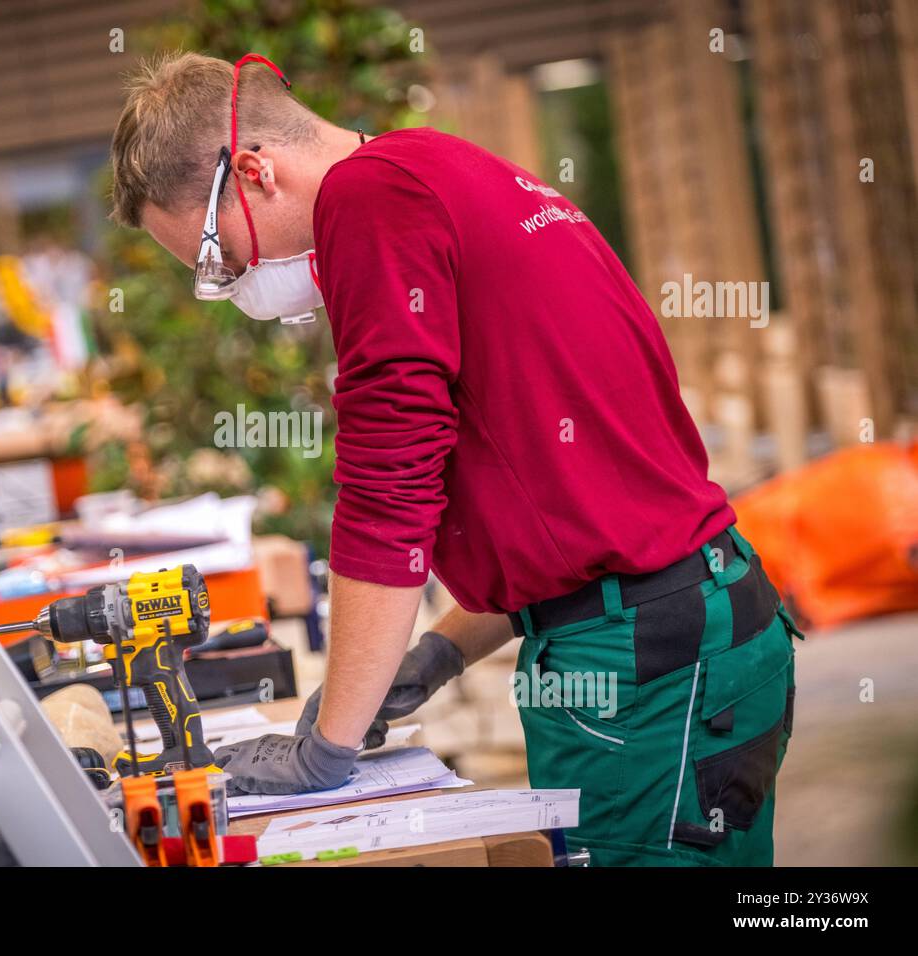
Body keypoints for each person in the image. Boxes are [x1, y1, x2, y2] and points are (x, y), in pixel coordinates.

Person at [108, 51, 800, 865]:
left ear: (254, 172)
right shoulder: (440, 169)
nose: (230, 284)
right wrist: (441, 651)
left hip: (648, 666)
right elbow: (569, 496)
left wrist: (325, 750)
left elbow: (387, 485)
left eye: (218, 258)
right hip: (696, 624)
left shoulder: (366, 200)